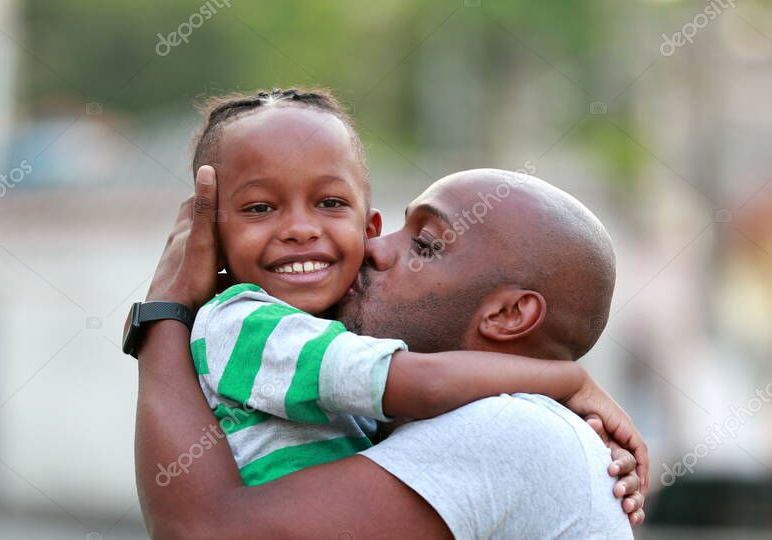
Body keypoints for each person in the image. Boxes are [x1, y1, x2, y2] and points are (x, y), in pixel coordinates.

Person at [180, 87, 644, 488]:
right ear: (211, 238)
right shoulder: (244, 324)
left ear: (365, 227)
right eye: (259, 208)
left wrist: (588, 429)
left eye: (330, 202)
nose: (300, 228)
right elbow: (427, 383)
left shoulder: (512, 428)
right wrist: (569, 382)